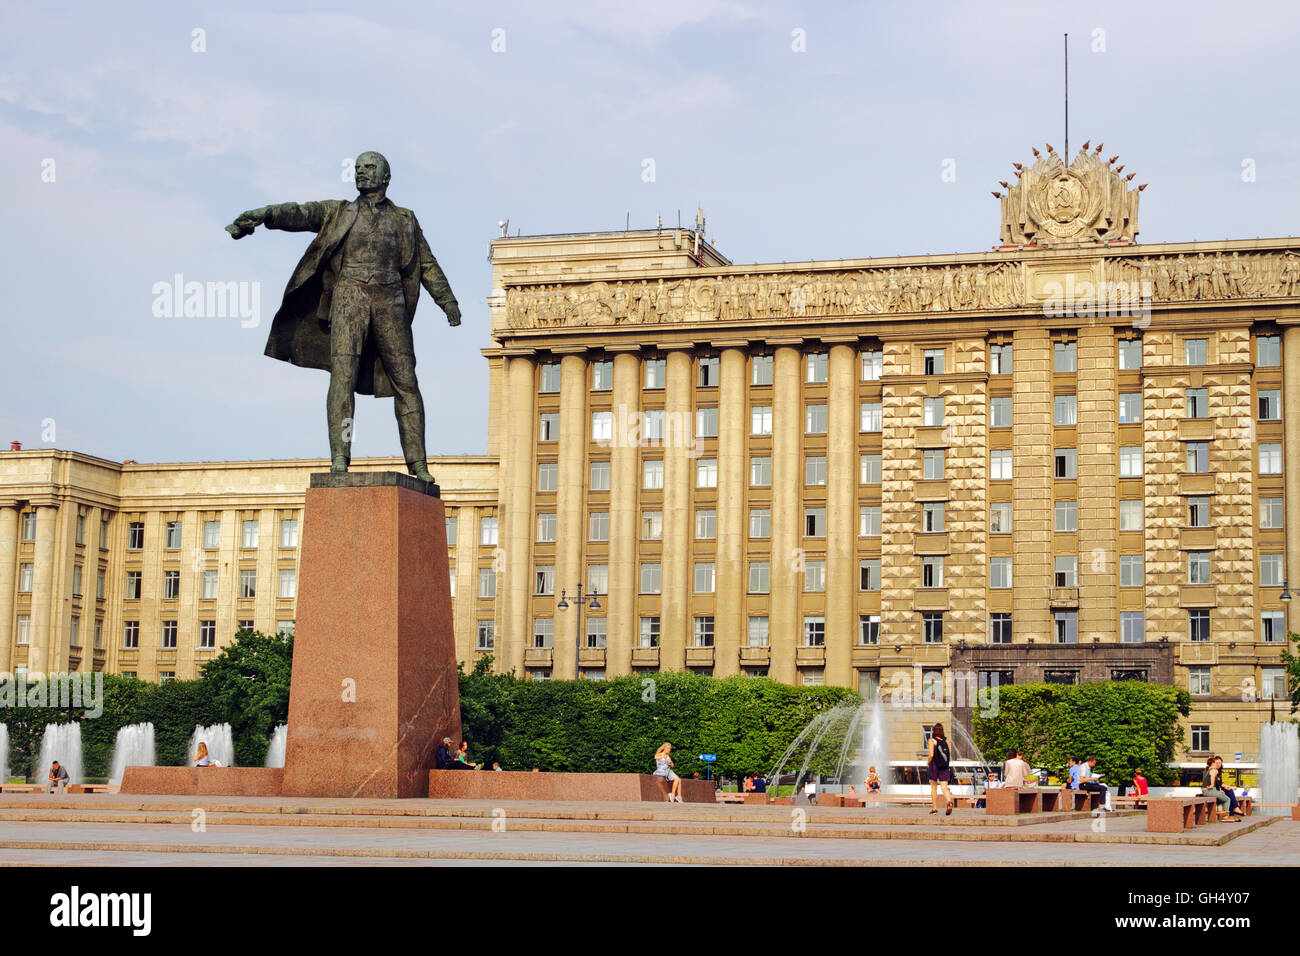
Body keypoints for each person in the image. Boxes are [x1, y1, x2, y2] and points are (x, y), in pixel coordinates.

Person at [927, 723, 954, 815]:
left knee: (934, 787)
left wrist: (928, 762)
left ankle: (934, 809)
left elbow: (931, 754)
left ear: (934, 731)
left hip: (934, 765)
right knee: (944, 787)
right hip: (944, 766)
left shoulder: (931, 741)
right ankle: (949, 801)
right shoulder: (947, 742)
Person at [1201, 756, 1239, 821]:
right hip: (1210, 791)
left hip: (1205, 791)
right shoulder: (1214, 770)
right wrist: (1212, 785)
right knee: (1227, 799)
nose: (1218, 765)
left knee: (1221, 799)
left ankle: (1221, 816)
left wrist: (1219, 791)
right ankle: (1226, 816)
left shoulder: (1206, 770)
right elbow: (1212, 778)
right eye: (1216, 763)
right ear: (1213, 763)